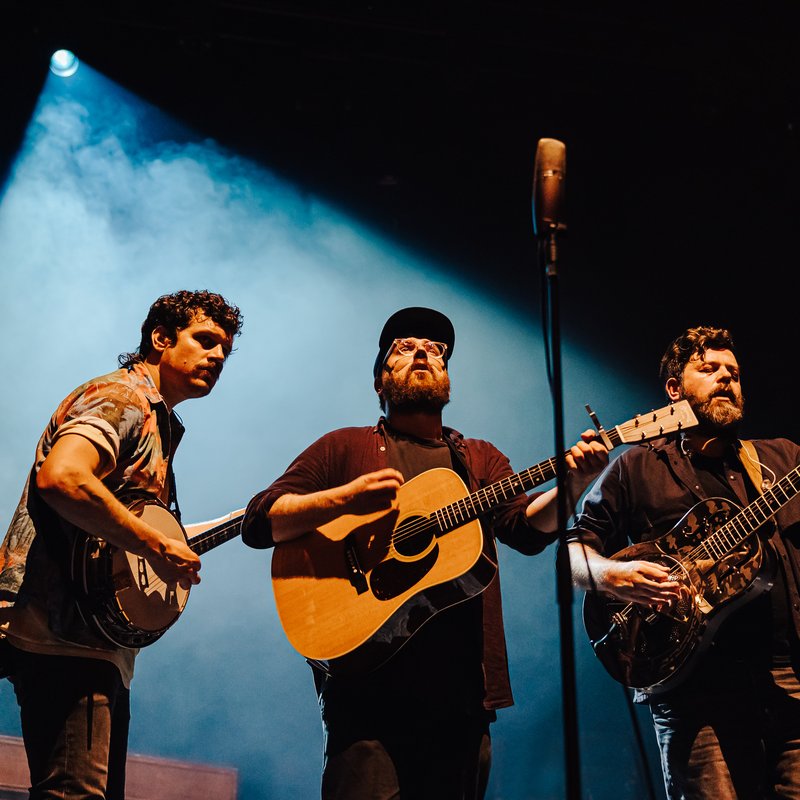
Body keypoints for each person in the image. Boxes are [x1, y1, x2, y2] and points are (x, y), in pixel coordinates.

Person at [242, 306, 607, 799]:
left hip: (460, 698)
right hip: (365, 697)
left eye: (436, 351)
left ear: (447, 379)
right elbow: (260, 520)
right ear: (380, 380)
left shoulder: (479, 459)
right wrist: (344, 500)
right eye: (404, 348)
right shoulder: (343, 447)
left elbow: (525, 530)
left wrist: (574, 484)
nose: (423, 354)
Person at [0, 289, 243, 799]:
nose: (218, 355)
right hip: (62, 635)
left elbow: (133, 533)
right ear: (161, 338)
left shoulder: (156, 419)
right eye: (205, 340)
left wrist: (245, 519)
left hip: (90, 640)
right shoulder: (122, 399)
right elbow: (63, 478)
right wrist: (156, 546)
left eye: (225, 348)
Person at [569, 325, 800, 799]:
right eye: (709, 368)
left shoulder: (781, 459)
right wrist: (613, 575)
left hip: (787, 679)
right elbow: (572, 552)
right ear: (674, 390)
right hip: (693, 690)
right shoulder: (636, 466)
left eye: (734, 371)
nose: (726, 378)